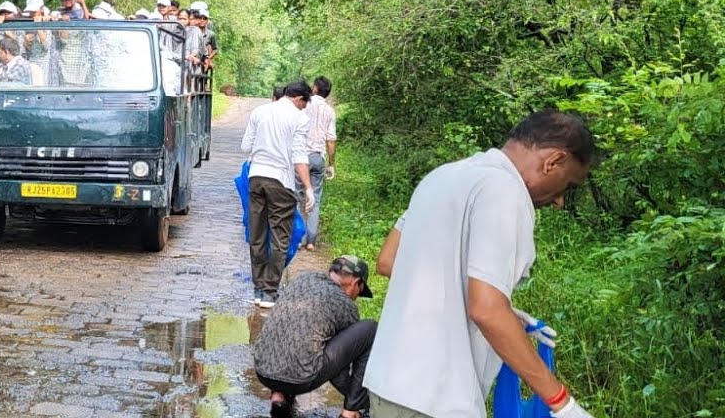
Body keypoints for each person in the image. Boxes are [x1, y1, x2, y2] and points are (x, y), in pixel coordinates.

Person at [365, 109, 597, 418]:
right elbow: (486, 310)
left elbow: (389, 261)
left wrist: (499, 309)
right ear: (553, 161)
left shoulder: (441, 177)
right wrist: (561, 402)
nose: (559, 201)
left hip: (388, 384)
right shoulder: (506, 192)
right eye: (567, 185)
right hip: (437, 399)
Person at [254, 256, 377, 418]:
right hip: (300, 380)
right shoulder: (344, 304)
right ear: (356, 283)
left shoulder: (303, 279)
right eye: (359, 293)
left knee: (295, 334)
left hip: (262, 371)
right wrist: (362, 399)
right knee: (370, 328)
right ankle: (350, 412)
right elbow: (339, 373)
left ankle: (279, 396)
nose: (356, 298)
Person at [240, 81, 317, 308]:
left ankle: (258, 289)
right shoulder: (299, 118)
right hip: (281, 182)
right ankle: (269, 292)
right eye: (304, 104)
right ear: (299, 99)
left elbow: (246, 146)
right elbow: (299, 156)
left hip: (256, 178)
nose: (303, 108)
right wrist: (308, 188)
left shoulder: (260, 111)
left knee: (257, 234)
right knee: (280, 238)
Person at [301, 76, 337, 251]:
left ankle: (298, 239)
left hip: (300, 157)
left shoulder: (303, 104)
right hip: (317, 158)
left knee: (296, 196)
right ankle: (311, 241)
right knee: (314, 199)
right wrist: (331, 164)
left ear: (314, 88)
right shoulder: (330, 111)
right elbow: (331, 139)